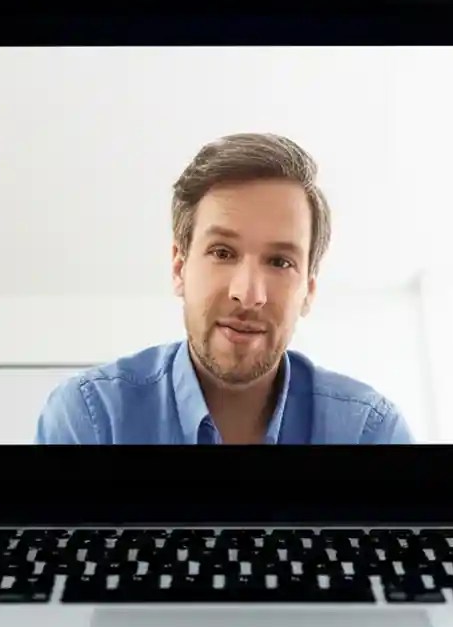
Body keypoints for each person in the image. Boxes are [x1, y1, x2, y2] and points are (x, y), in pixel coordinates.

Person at [34, 132, 413, 445]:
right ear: (179, 268)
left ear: (309, 290)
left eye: (280, 261)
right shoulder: (91, 419)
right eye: (222, 252)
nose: (248, 295)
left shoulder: (370, 432)